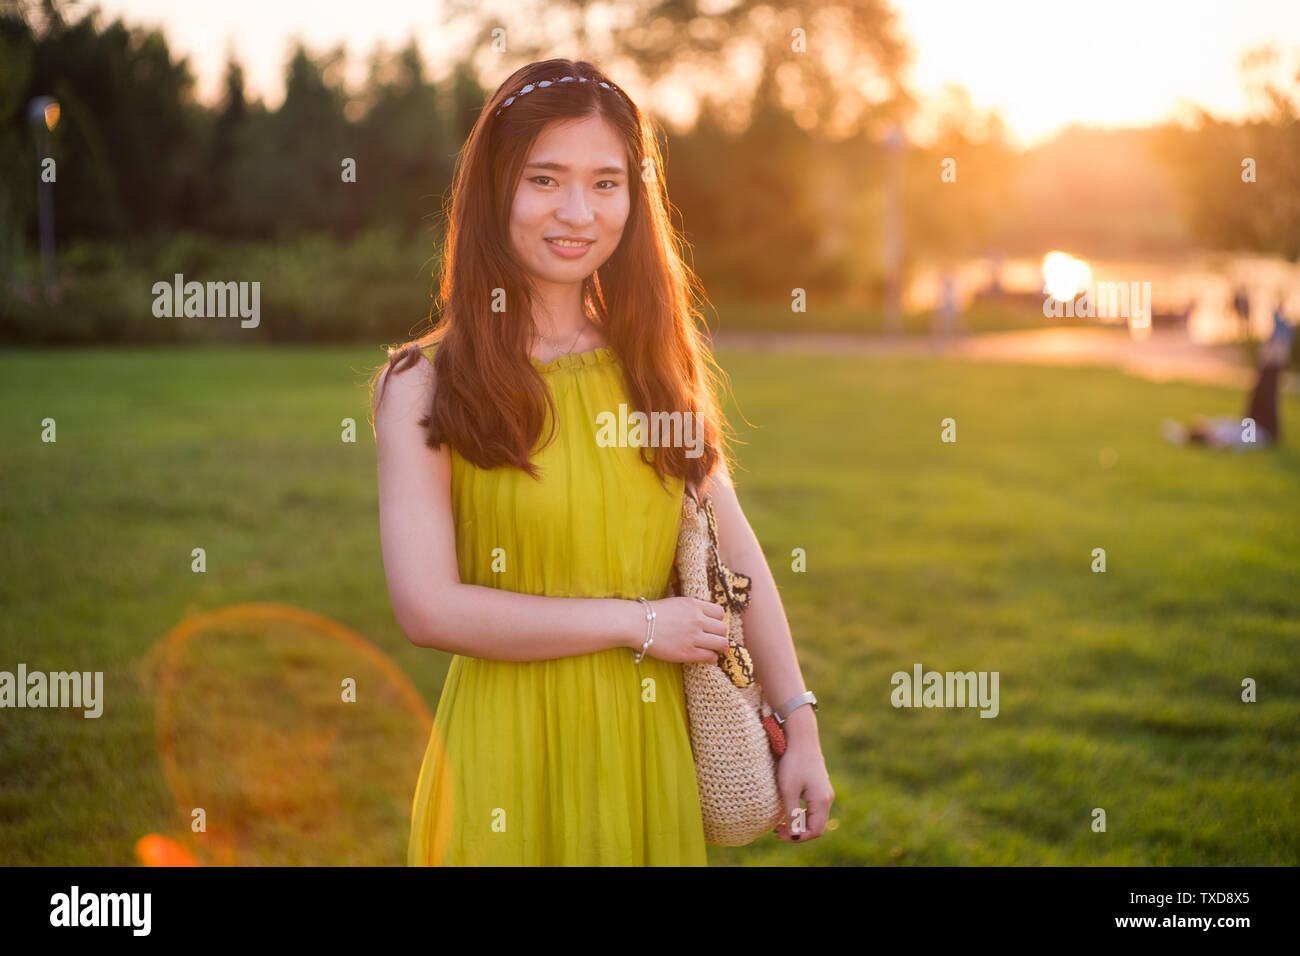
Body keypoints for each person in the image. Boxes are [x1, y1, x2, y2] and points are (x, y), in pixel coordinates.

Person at [369, 59, 833, 865]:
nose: (577, 212)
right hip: (506, 754)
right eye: (544, 179)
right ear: (494, 190)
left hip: (648, 747)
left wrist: (801, 721)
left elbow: (739, 556)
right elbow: (428, 609)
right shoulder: (424, 383)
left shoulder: (653, 366)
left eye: (606, 183)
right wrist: (640, 623)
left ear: (634, 198)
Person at [1162, 312, 1293, 449]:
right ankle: (1282, 333)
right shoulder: (1218, 438)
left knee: (1263, 380)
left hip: (1252, 424)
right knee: (1267, 384)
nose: (1201, 421)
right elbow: (1221, 444)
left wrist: (1181, 433)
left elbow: (1181, 431)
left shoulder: (1216, 428)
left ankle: (1279, 332)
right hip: (1262, 432)